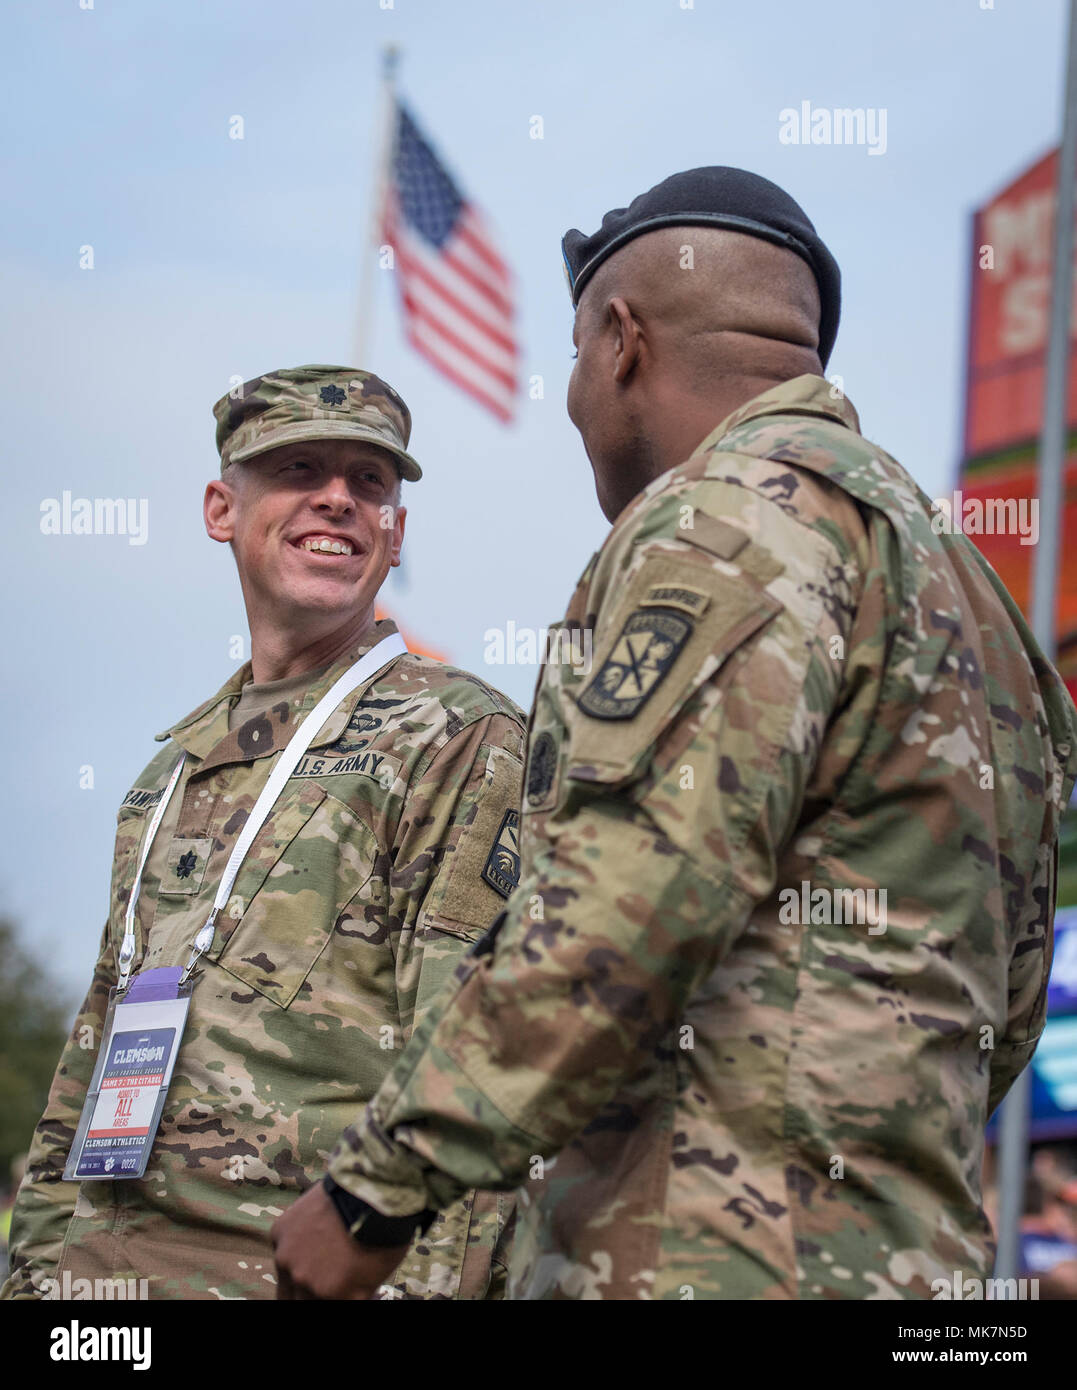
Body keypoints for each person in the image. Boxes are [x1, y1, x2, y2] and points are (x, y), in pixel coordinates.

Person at [272, 170, 1077, 1301]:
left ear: (621, 340)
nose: (573, 400)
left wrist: (377, 1186)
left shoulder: (725, 517)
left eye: (573, 358)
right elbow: (1011, 997)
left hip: (702, 1258)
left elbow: (626, 899)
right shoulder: (978, 597)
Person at [2, 365, 524, 1300]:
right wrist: (36, 1281)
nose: (339, 498)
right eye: (299, 468)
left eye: (371, 483)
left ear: (396, 531)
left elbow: (474, 1072)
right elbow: (91, 1058)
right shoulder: (167, 775)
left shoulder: (455, 737)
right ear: (220, 509)